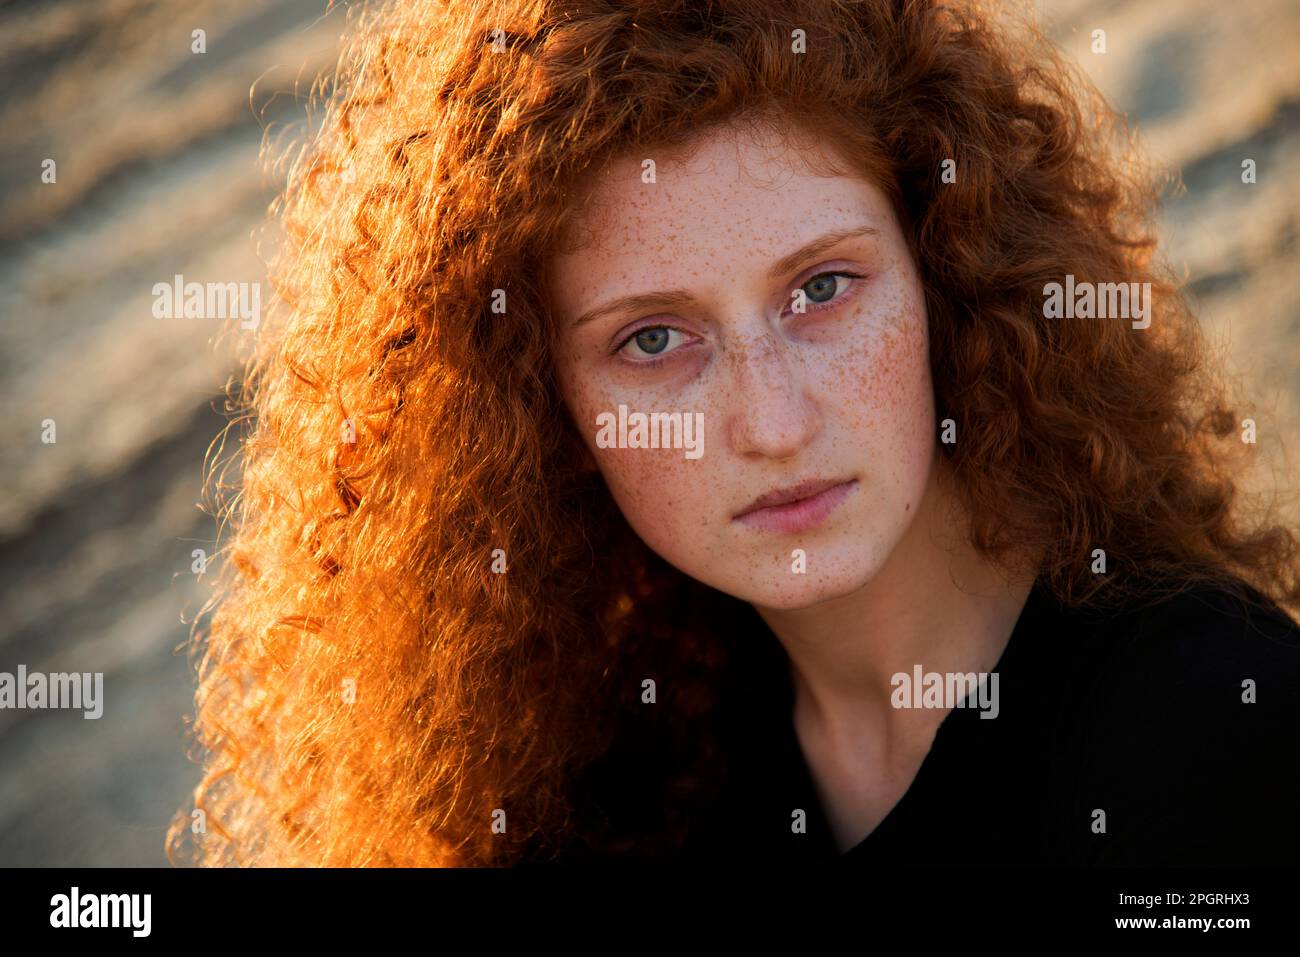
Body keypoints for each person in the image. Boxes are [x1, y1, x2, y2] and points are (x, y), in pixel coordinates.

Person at [169, 0, 1300, 868]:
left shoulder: (1217, 731)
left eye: (822, 288)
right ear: (532, 412)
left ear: (948, 270)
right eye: (653, 341)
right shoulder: (613, 787)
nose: (771, 422)